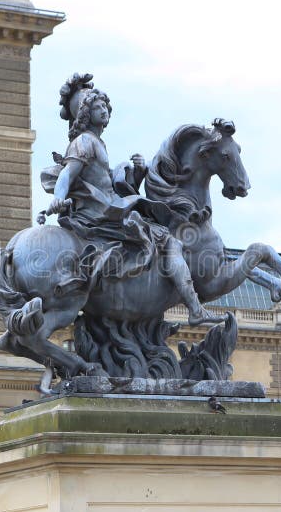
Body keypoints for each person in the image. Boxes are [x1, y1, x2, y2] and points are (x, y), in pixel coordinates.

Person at [40, 74, 224, 326]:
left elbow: (104, 180)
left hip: (107, 207)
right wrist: (58, 198)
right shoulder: (84, 142)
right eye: (97, 107)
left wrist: (137, 172)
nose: (104, 110)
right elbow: (67, 173)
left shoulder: (96, 142)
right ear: (85, 114)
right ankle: (194, 308)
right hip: (100, 213)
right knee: (169, 240)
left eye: (105, 106)